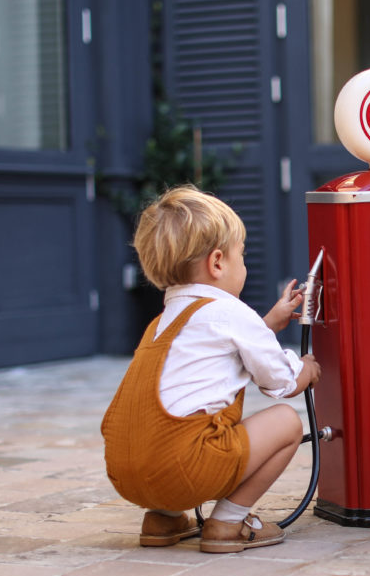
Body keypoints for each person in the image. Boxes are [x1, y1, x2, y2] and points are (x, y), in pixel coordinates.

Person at [101, 185, 321, 554]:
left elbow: (219, 353)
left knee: (173, 425)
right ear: (218, 262)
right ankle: (228, 523)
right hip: (186, 469)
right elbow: (280, 382)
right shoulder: (232, 313)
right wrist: (308, 369)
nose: (244, 265)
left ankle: (163, 518)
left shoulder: (163, 322)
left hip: (126, 473)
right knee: (286, 421)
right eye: (242, 256)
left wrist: (267, 323)